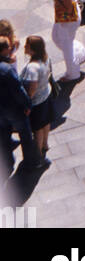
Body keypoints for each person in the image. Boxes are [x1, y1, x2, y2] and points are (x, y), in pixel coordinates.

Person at [0, 35, 40, 177]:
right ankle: (30, 163)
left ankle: (7, 163)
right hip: (13, 110)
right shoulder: (6, 69)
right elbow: (18, 90)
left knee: (4, 136)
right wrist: (27, 104)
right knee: (25, 135)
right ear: (4, 50)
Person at [49, 0, 85, 83]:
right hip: (63, 19)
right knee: (56, 38)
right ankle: (79, 52)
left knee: (66, 47)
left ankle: (73, 73)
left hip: (68, 21)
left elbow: (68, 9)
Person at [20, 36, 52, 163]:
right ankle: (45, 144)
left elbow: (32, 88)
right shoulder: (45, 59)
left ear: (32, 50)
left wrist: (27, 103)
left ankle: (38, 154)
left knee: (37, 128)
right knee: (45, 122)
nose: (24, 47)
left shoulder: (32, 68)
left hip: (36, 102)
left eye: (27, 45)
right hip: (45, 96)